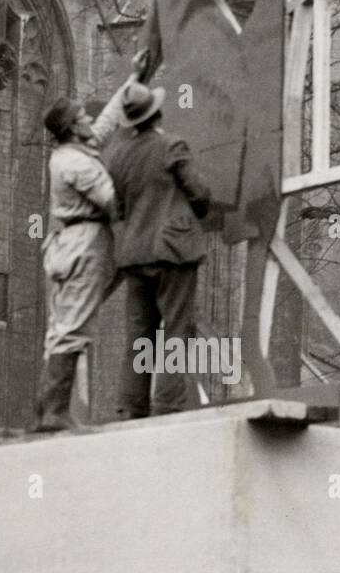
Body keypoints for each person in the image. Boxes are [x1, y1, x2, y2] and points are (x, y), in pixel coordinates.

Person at [35, 50, 147, 431]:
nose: (87, 118)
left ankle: (48, 410)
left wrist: (134, 78)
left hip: (73, 241)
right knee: (73, 325)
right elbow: (113, 202)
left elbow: (105, 124)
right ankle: (52, 412)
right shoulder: (76, 163)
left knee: (65, 323)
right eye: (80, 116)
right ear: (70, 128)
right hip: (83, 242)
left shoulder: (73, 149)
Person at [106, 81, 211, 419]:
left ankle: (129, 410)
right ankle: (167, 408)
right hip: (173, 252)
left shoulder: (118, 156)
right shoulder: (172, 146)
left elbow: (119, 210)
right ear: (157, 113)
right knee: (177, 330)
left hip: (135, 255)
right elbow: (200, 194)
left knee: (139, 336)